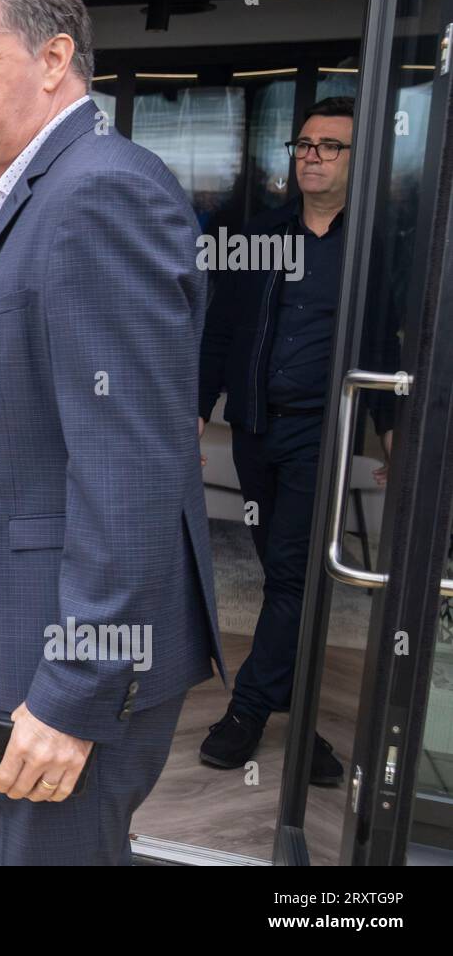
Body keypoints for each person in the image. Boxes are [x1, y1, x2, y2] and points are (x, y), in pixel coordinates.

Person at [0, 0, 223, 865]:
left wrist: (75, 690)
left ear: (55, 61)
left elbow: (128, 464)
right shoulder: (21, 194)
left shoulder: (99, 192)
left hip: (73, 651)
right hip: (23, 617)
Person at [198, 96, 394, 783]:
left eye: (328, 146)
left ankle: (247, 711)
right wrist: (196, 408)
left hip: (323, 433)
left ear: (355, 160)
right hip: (256, 429)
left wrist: (394, 434)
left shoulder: (374, 244)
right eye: (303, 144)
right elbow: (221, 331)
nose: (311, 155)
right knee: (291, 580)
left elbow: (385, 342)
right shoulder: (262, 233)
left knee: (288, 573)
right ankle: (301, 717)